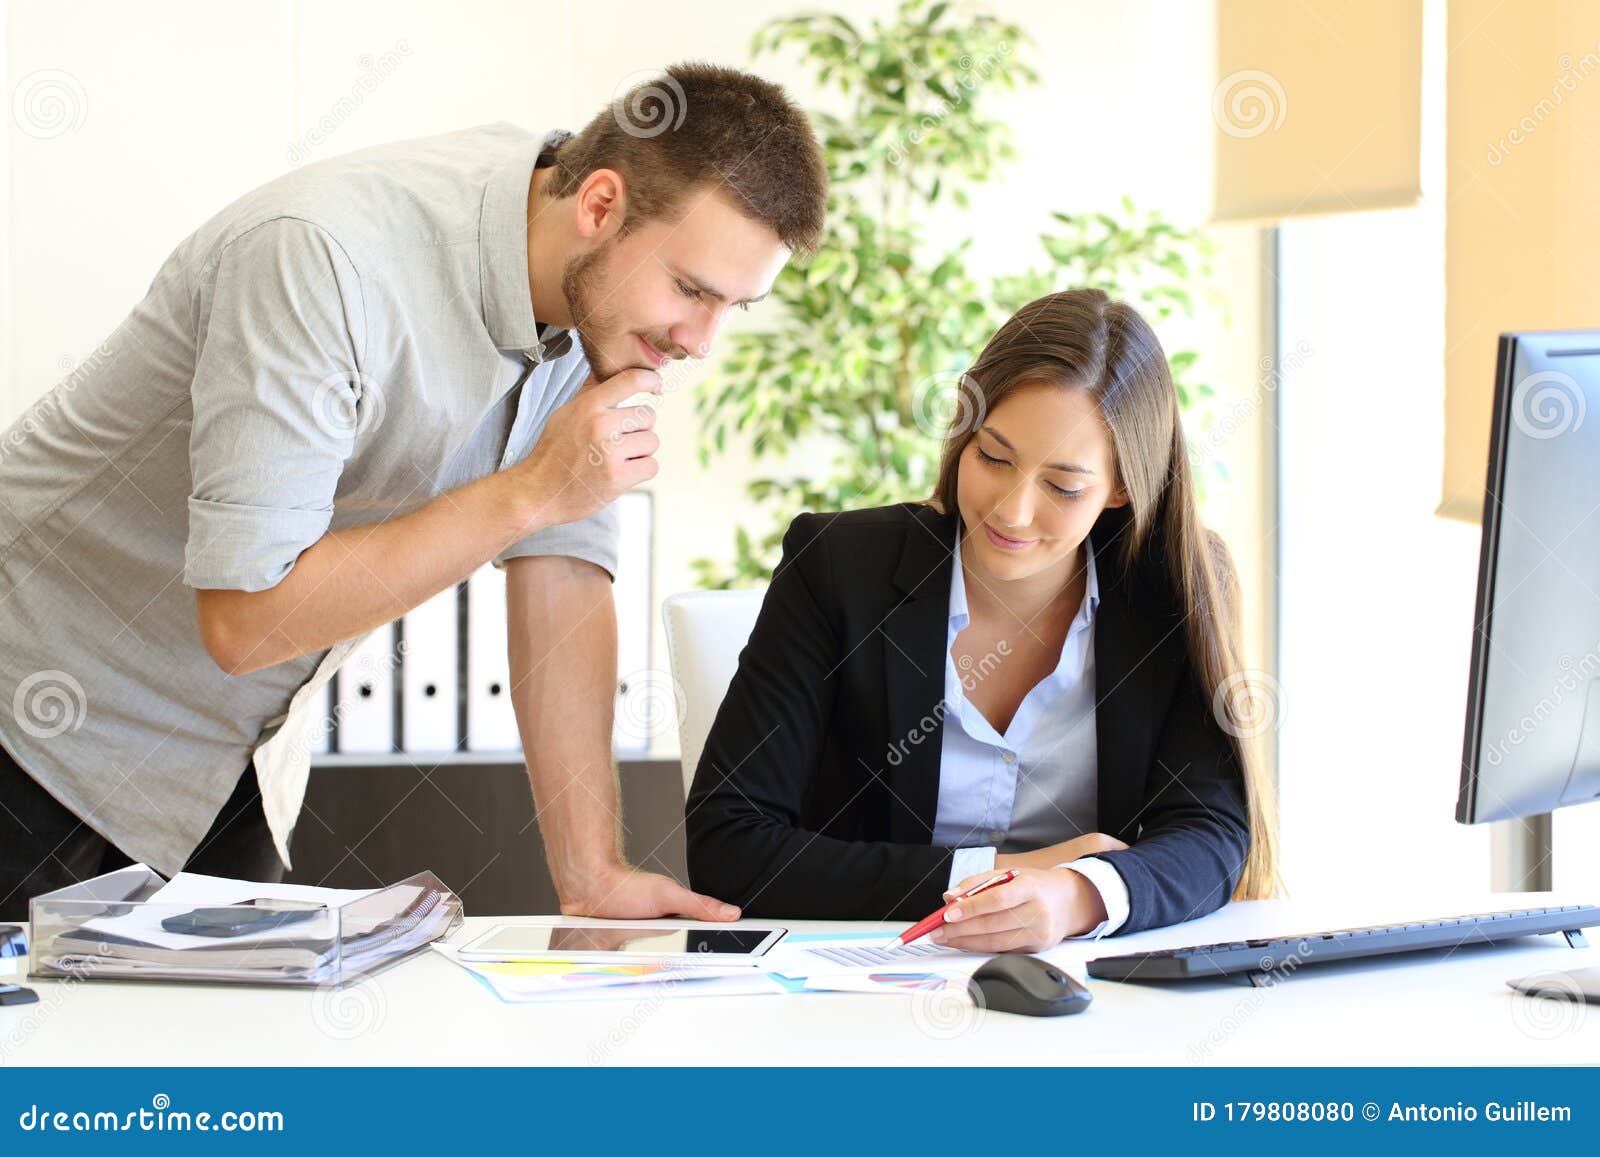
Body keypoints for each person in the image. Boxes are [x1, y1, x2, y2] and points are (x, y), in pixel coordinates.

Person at [0, 63, 827, 924]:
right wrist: (529, 493)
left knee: (228, 1054)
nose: (702, 341)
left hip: (223, 765)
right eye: (692, 290)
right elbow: (244, 617)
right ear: (600, 205)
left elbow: (563, 568)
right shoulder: (322, 257)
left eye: (737, 306)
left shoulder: (604, 305)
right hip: (38, 707)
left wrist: (593, 875)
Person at [685, 288, 1280, 952]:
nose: (1012, 511)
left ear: (1121, 487)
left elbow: (1212, 831)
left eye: (1062, 485)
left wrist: (1079, 892)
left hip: (1085, 987)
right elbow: (728, 841)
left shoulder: (1172, 586)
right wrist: (1003, 878)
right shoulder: (837, 567)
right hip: (860, 981)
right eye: (993, 457)